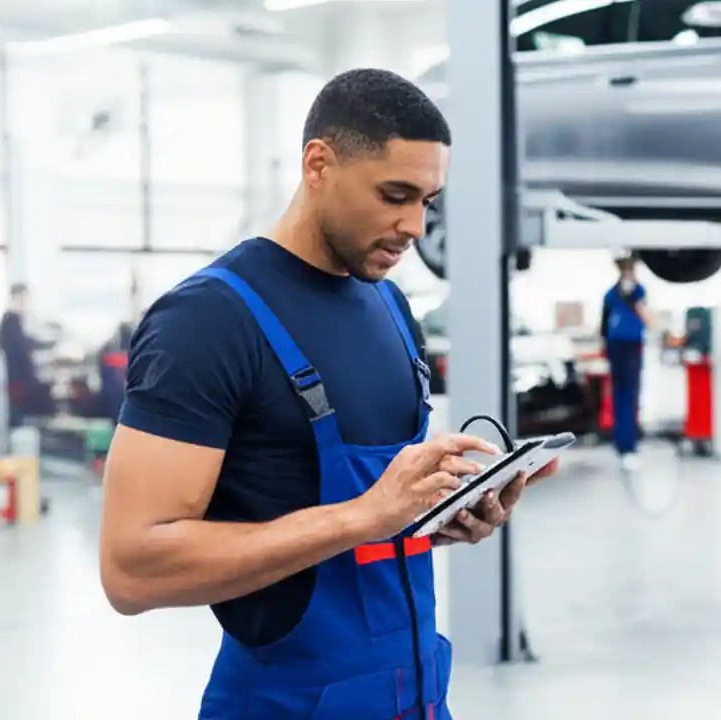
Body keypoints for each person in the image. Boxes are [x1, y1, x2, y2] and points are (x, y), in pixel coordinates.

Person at [98, 68, 560, 719]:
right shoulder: (207, 322)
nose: (415, 226)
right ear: (319, 163)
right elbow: (131, 568)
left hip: (417, 695)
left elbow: (347, 521)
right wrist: (367, 515)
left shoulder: (392, 309)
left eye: (428, 200)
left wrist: (433, 521)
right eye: (394, 194)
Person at [600, 252, 652, 471]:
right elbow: (604, 323)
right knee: (623, 395)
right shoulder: (612, 294)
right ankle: (624, 444)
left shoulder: (637, 293)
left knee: (628, 396)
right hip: (618, 347)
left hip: (630, 346)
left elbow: (647, 318)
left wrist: (634, 301)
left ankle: (628, 444)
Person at [0, 283, 52, 427]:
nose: (26, 304)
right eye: (23, 299)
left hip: (19, 380)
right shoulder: (10, 322)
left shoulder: (14, 322)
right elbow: (22, 347)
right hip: (17, 382)